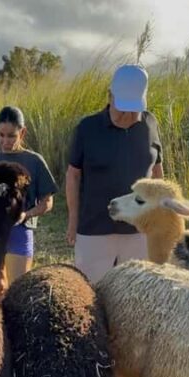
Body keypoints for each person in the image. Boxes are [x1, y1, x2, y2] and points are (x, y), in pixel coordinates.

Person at [66, 64, 163, 284]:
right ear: (110, 97)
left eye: (133, 109)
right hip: (95, 228)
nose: (127, 115)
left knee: (137, 291)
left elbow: (157, 169)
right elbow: (73, 175)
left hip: (139, 229)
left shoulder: (150, 124)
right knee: (91, 292)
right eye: (122, 108)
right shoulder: (87, 128)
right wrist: (73, 220)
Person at [0, 106, 58, 285]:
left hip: (20, 231)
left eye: (11, 136)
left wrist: (25, 215)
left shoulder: (34, 161)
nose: (5, 141)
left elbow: (48, 202)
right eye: (1, 135)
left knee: (17, 289)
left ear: (22, 133)